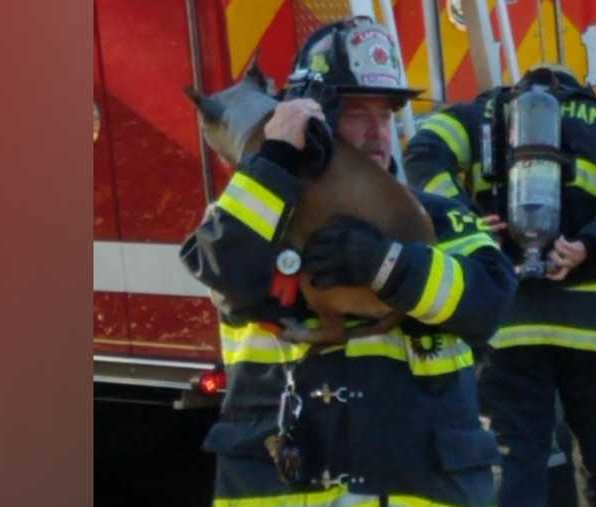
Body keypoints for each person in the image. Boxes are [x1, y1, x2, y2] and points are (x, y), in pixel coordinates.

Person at [180, 17, 517, 507]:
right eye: (357, 113)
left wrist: (388, 265)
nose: (378, 133)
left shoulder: (436, 216)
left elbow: (490, 301)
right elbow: (225, 270)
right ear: (310, 116)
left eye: (386, 114)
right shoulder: (252, 212)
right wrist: (274, 157)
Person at [403, 64, 596, 507]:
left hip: (509, 323)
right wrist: (594, 244)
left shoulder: (475, 116)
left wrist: (462, 218)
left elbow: (421, 152)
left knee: (516, 460)